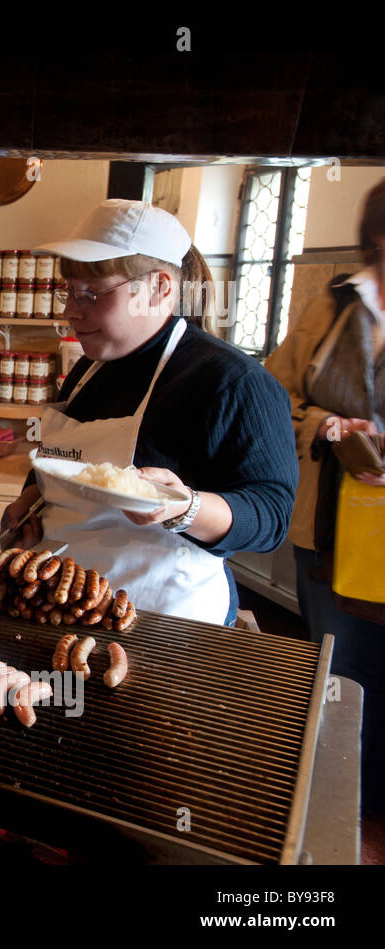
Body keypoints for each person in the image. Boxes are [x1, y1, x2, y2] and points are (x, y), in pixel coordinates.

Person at [0, 199, 298, 625]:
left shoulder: (232, 382)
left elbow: (269, 515)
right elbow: (63, 459)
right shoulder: (88, 368)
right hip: (60, 603)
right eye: (68, 291)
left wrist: (184, 507)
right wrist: (31, 500)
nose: (70, 311)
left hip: (159, 620)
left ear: (159, 287)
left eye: (91, 294)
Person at [266, 176, 385, 815]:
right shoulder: (334, 307)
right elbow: (272, 396)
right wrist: (325, 426)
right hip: (331, 524)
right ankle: (338, 806)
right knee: (340, 668)